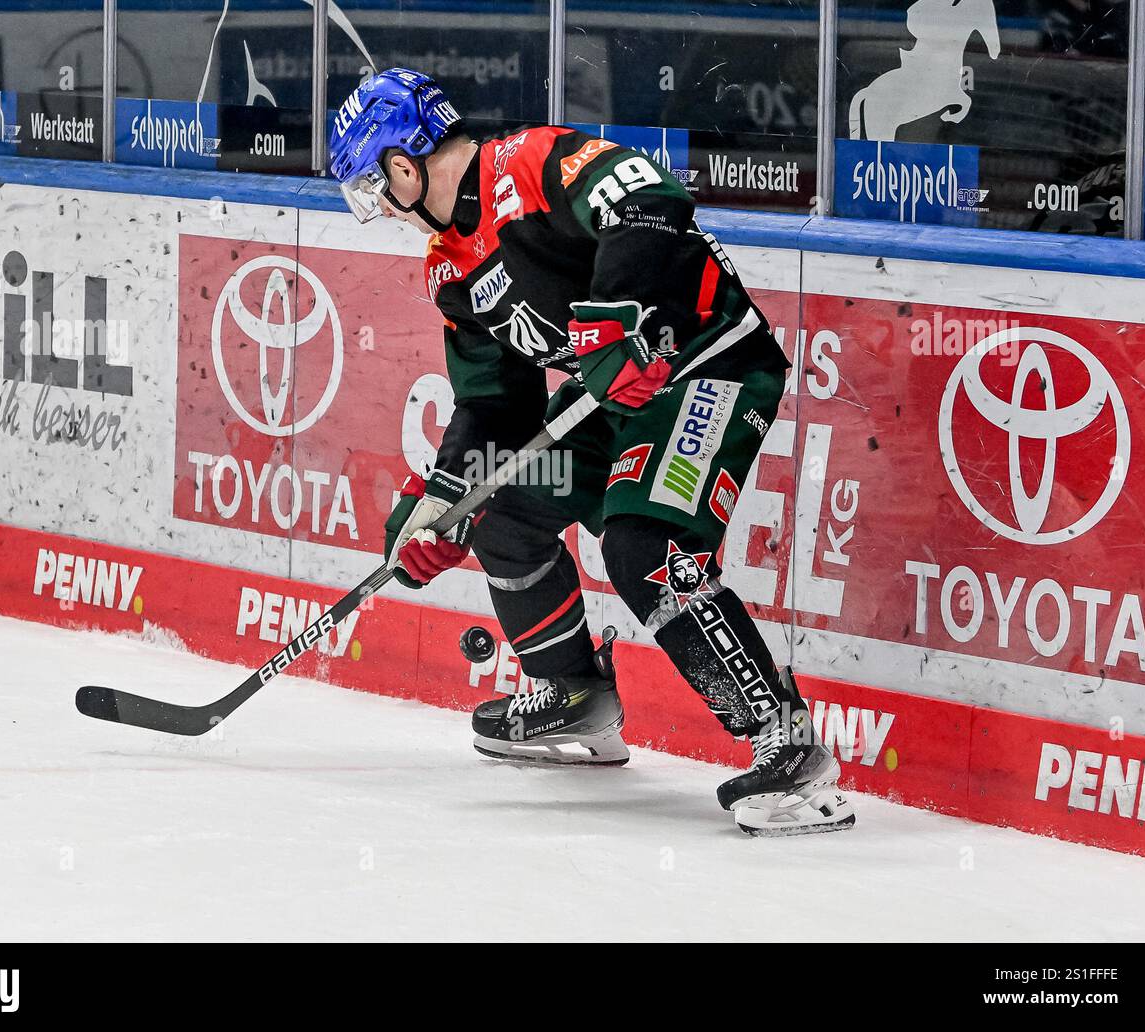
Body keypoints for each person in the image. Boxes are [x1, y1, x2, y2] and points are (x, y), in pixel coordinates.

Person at [329, 68, 854, 835]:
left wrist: (615, 315)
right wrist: (443, 501)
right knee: (498, 506)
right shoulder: (450, 268)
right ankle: (573, 694)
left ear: (402, 167)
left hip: (706, 366)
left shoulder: (528, 162)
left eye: (374, 189)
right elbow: (493, 406)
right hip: (611, 399)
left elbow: (652, 200)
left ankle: (786, 741)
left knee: (646, 546)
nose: (381, 210)